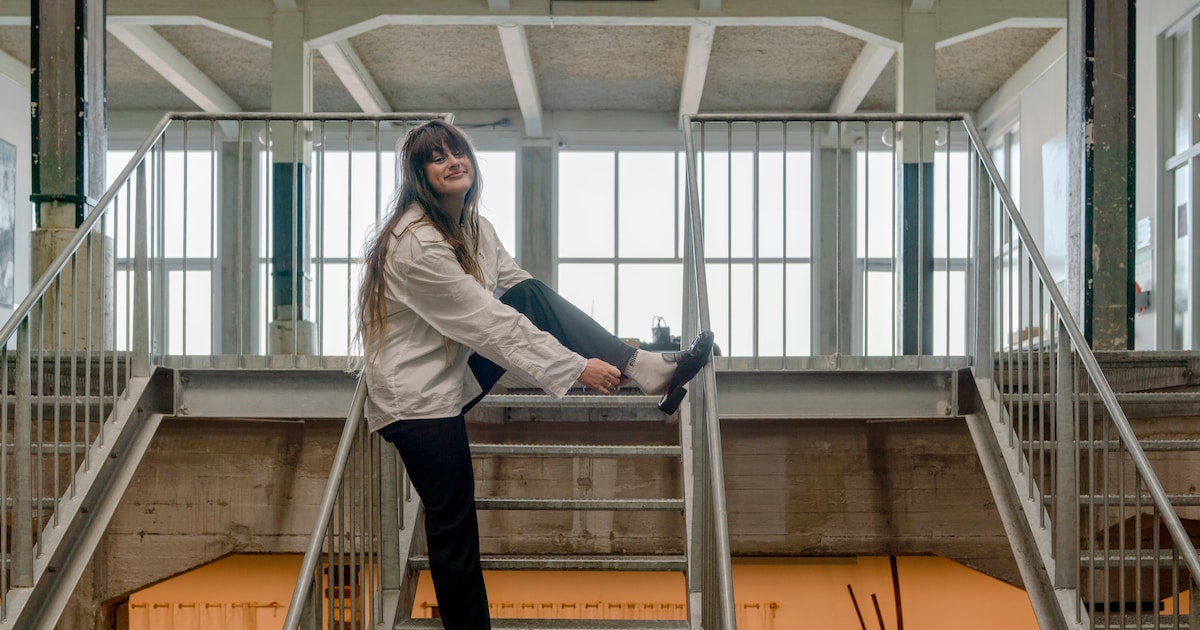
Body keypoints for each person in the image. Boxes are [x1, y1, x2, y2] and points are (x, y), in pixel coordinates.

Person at [354, 118, 712, 629]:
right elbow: (487, 322)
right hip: (414, 400)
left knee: (531, 294)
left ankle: (645, 368)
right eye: (438, 157)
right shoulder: (415, 243)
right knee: (454, 522)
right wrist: (574, 367)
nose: (455, 161)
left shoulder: (476, 228)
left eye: (459, 152)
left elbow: (518, 293)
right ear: (418, 175)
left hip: (448, 374)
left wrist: (600, 355)